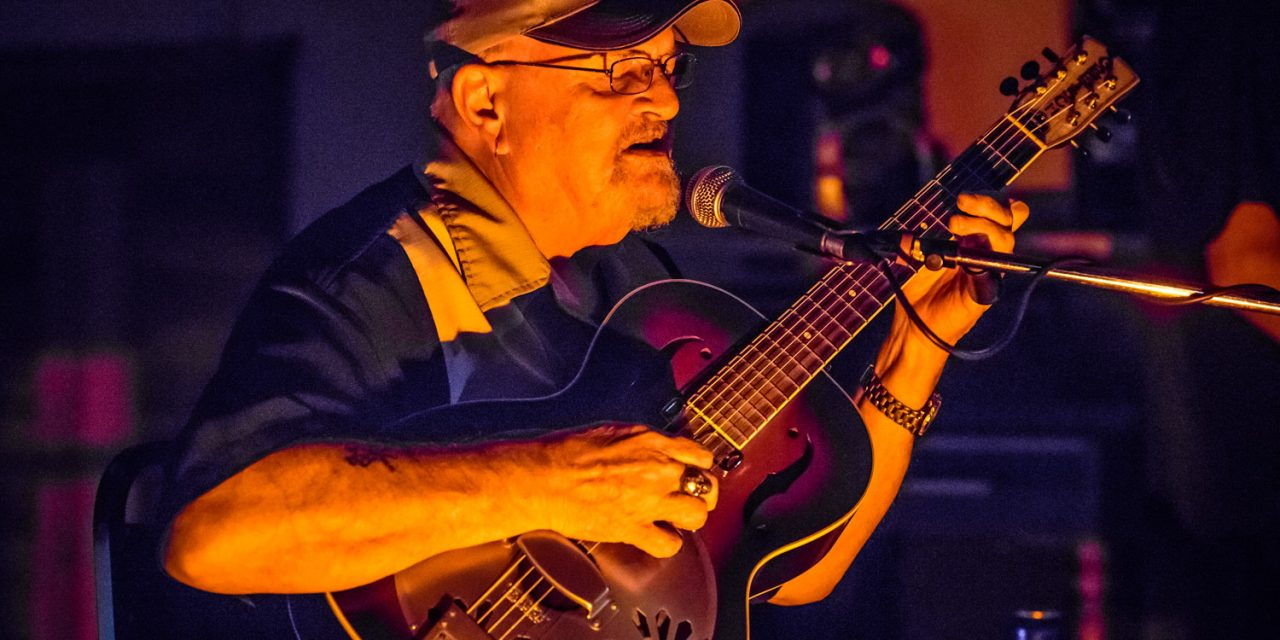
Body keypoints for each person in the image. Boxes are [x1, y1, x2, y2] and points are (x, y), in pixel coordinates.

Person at [159, 0, 1027, 635]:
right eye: (621, 71)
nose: (669, 102)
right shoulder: (371, 279)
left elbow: (793, 571)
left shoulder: (638, 285)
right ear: (485, 106)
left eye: (669, 66)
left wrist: (921, 342)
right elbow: (217, 534)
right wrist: (551, 480)